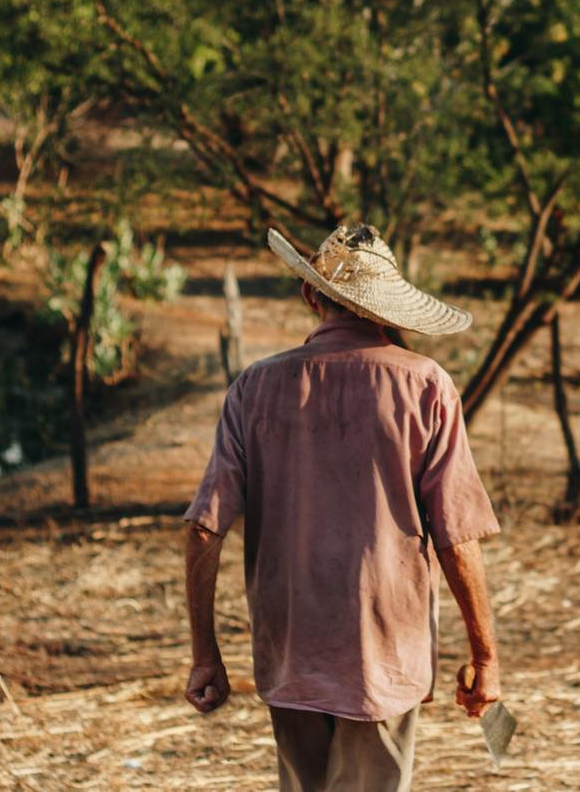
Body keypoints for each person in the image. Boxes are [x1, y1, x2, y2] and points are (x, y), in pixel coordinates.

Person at [182, 224, 502, 792]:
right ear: (386, 309)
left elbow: (206, 527)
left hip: (289, 647)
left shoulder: (254, 389)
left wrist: (205, 654)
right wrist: (486, 656)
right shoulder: (425, 386)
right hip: (385, 649)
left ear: (312, 296)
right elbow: (456, 536)